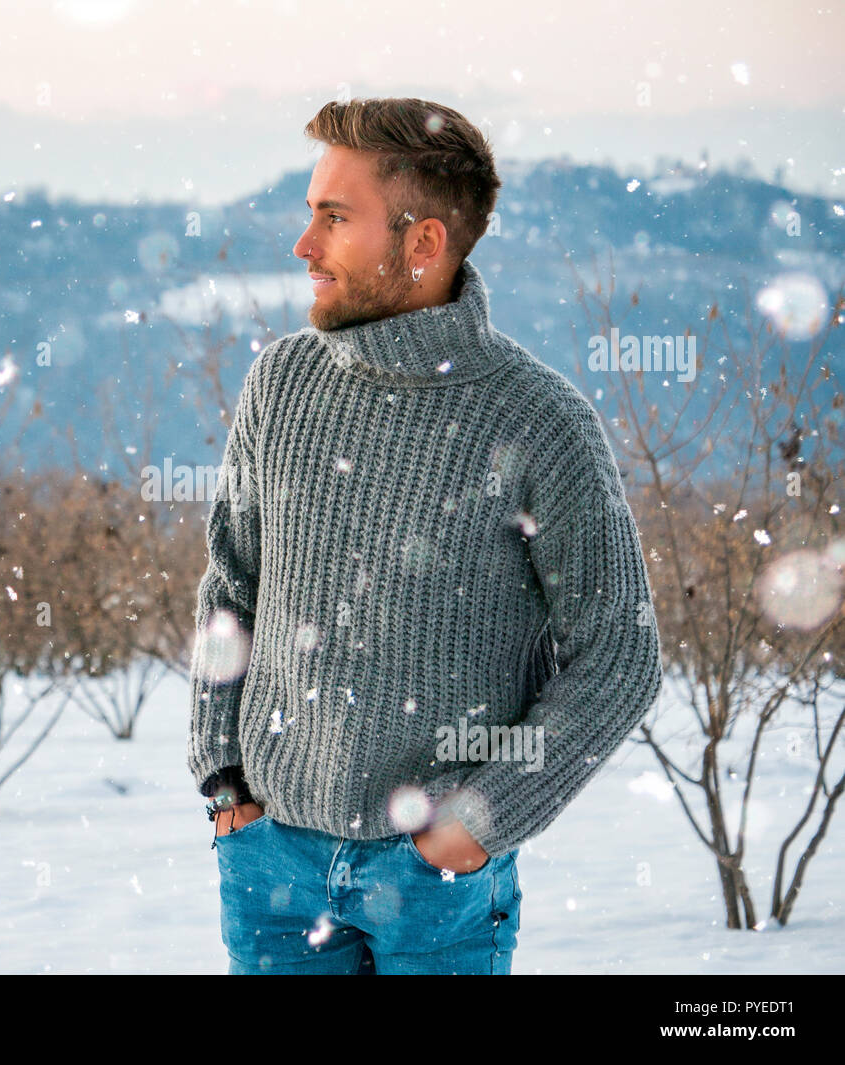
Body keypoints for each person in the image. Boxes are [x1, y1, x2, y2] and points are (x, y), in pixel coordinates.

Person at [186, 96, 664, 975]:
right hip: (273, 867)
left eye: (335, 218)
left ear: (424, 243)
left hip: (432, 887)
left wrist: (480, 820)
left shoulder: (538, 421)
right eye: (310, 215)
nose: (305, 246)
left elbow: (619, 655)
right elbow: (232, 588)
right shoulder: (282, 383)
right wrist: (225, 782)